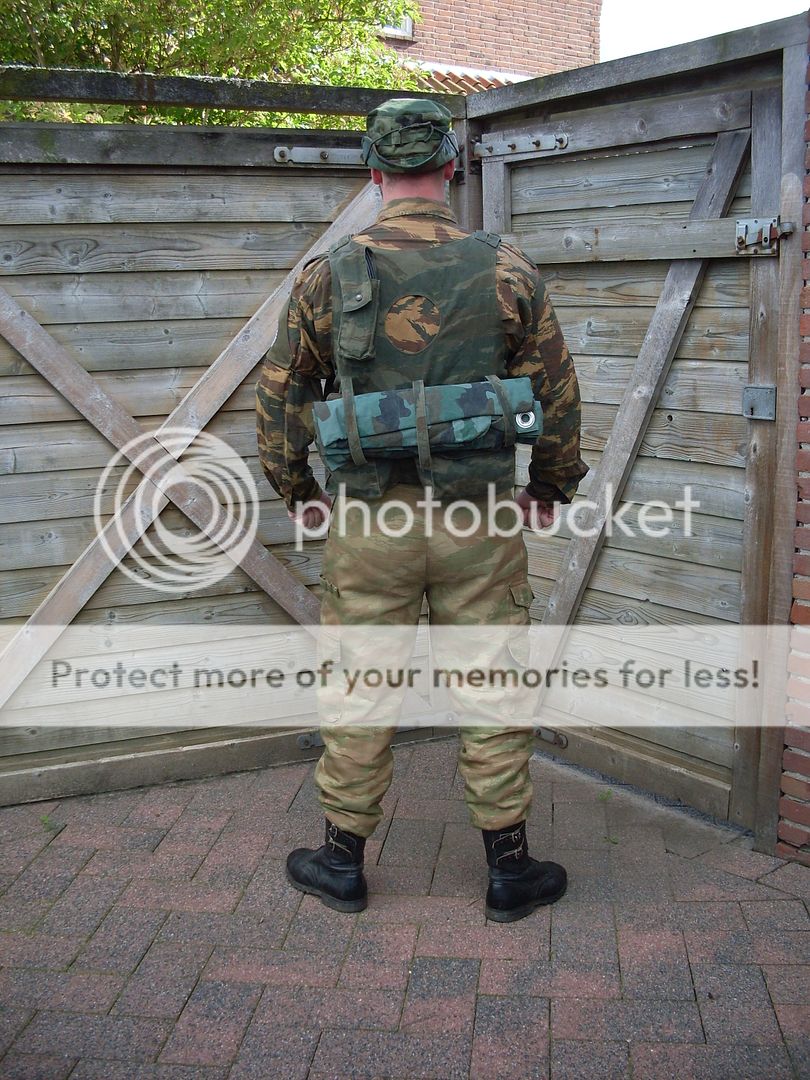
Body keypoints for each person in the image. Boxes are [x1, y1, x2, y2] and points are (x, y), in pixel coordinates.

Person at [256, 97, 588, 922]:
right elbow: (558, 393)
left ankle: (340, 862)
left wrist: (297, 492)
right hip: (481, 521)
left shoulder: (328, 273)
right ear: (450, 166)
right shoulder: (507, 267)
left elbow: (282, 395)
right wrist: (550, 488)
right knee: (493, 682)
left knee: (361, 683)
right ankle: (509, 870)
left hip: (371, 524)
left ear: (373, 173)